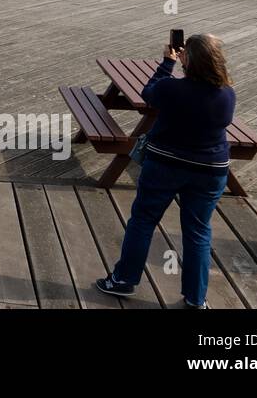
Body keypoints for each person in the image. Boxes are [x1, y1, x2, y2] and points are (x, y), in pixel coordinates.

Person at [96, 34, 235, 309]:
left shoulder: (172, 89)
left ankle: (124, 279)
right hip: (211, 169)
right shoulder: (227, 94)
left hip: (166, 164)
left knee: (144, 220)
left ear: (187, 60)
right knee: (198, 231)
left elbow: (149, 93)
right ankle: (196, 299)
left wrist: (167, 63)